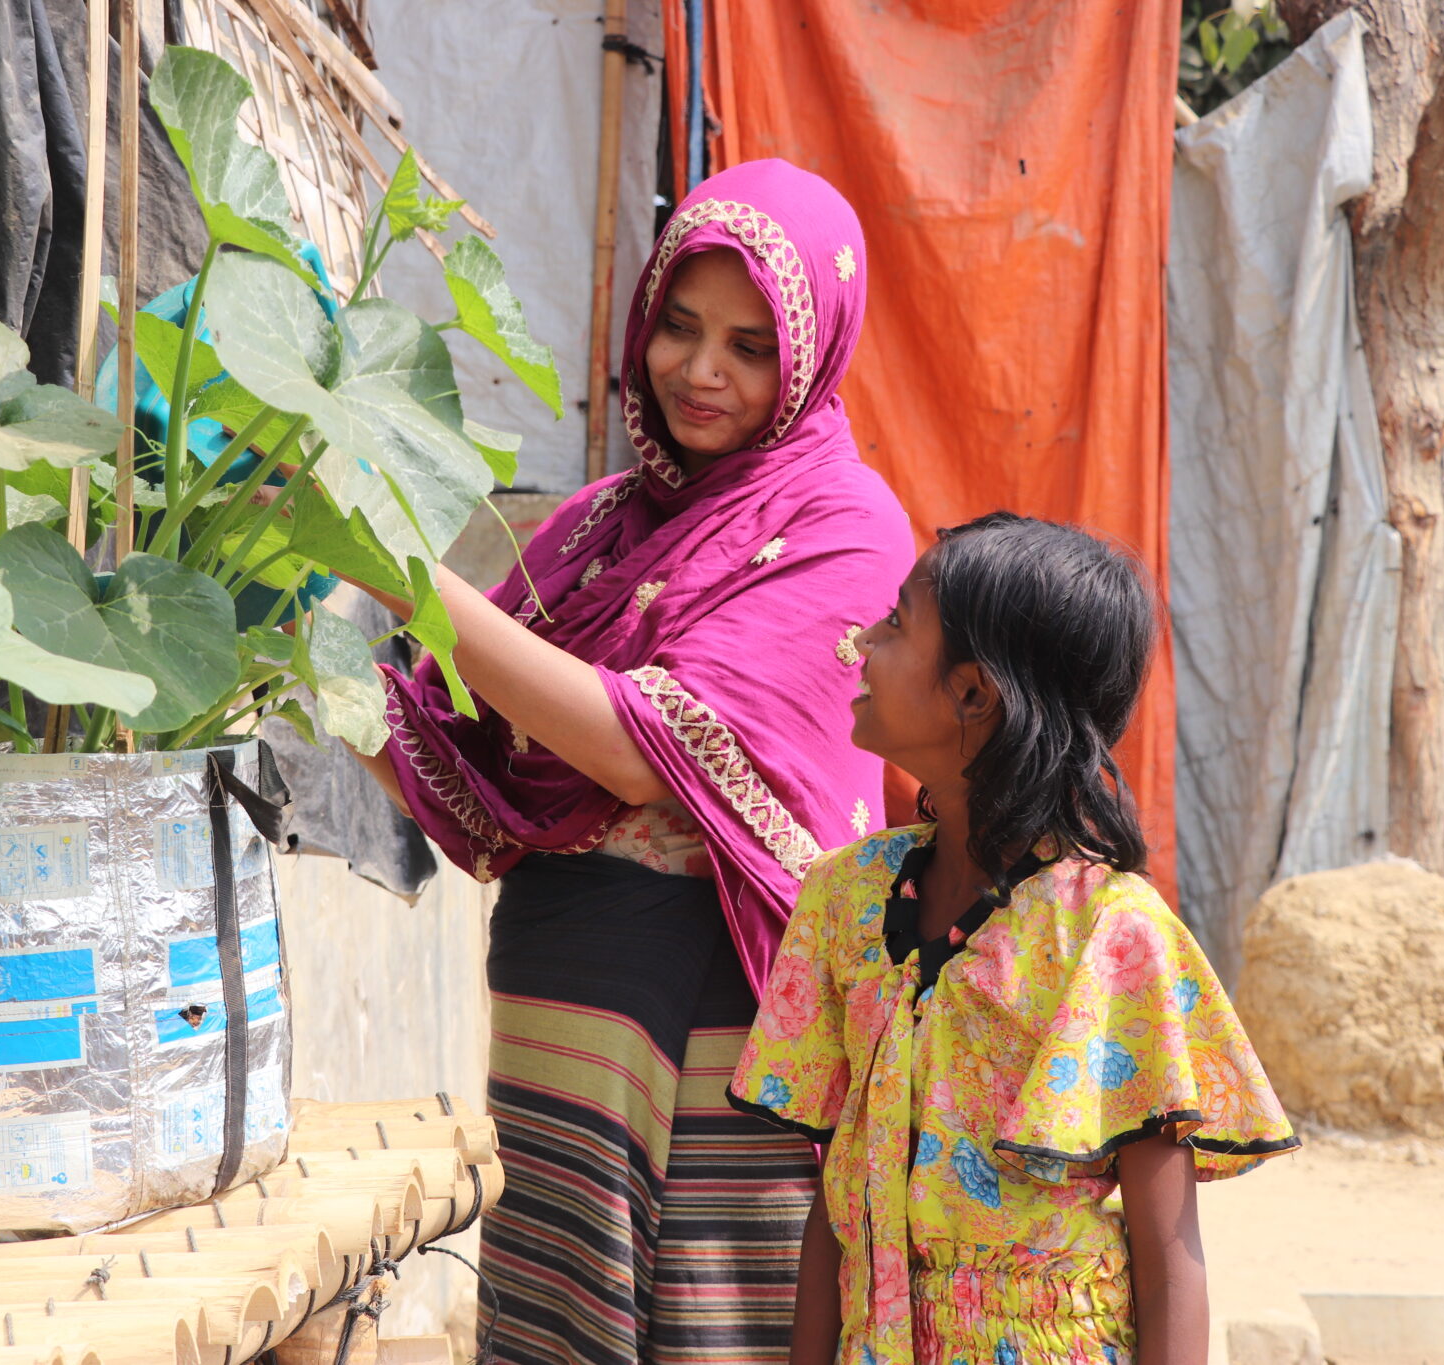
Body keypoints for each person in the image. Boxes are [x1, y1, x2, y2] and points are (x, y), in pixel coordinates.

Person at [347, 158, 915, 1363]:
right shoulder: (595, 528)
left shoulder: (842, 526)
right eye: (678, 326)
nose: (699, 371)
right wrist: (305, 667)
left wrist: (401, 574)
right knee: (552, 1329)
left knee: (718, 1331)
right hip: (559, 1006)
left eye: (749, 347)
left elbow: (643, 753)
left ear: (811, 355)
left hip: (727, 1031)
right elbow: (463, 761)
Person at [728, 513, 1300, 1365]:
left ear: (973, 693)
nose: (861, 643)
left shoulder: (1112, 934)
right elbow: (841, 1204)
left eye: (895, 623)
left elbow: (1169, 1259)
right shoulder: (843, 897)